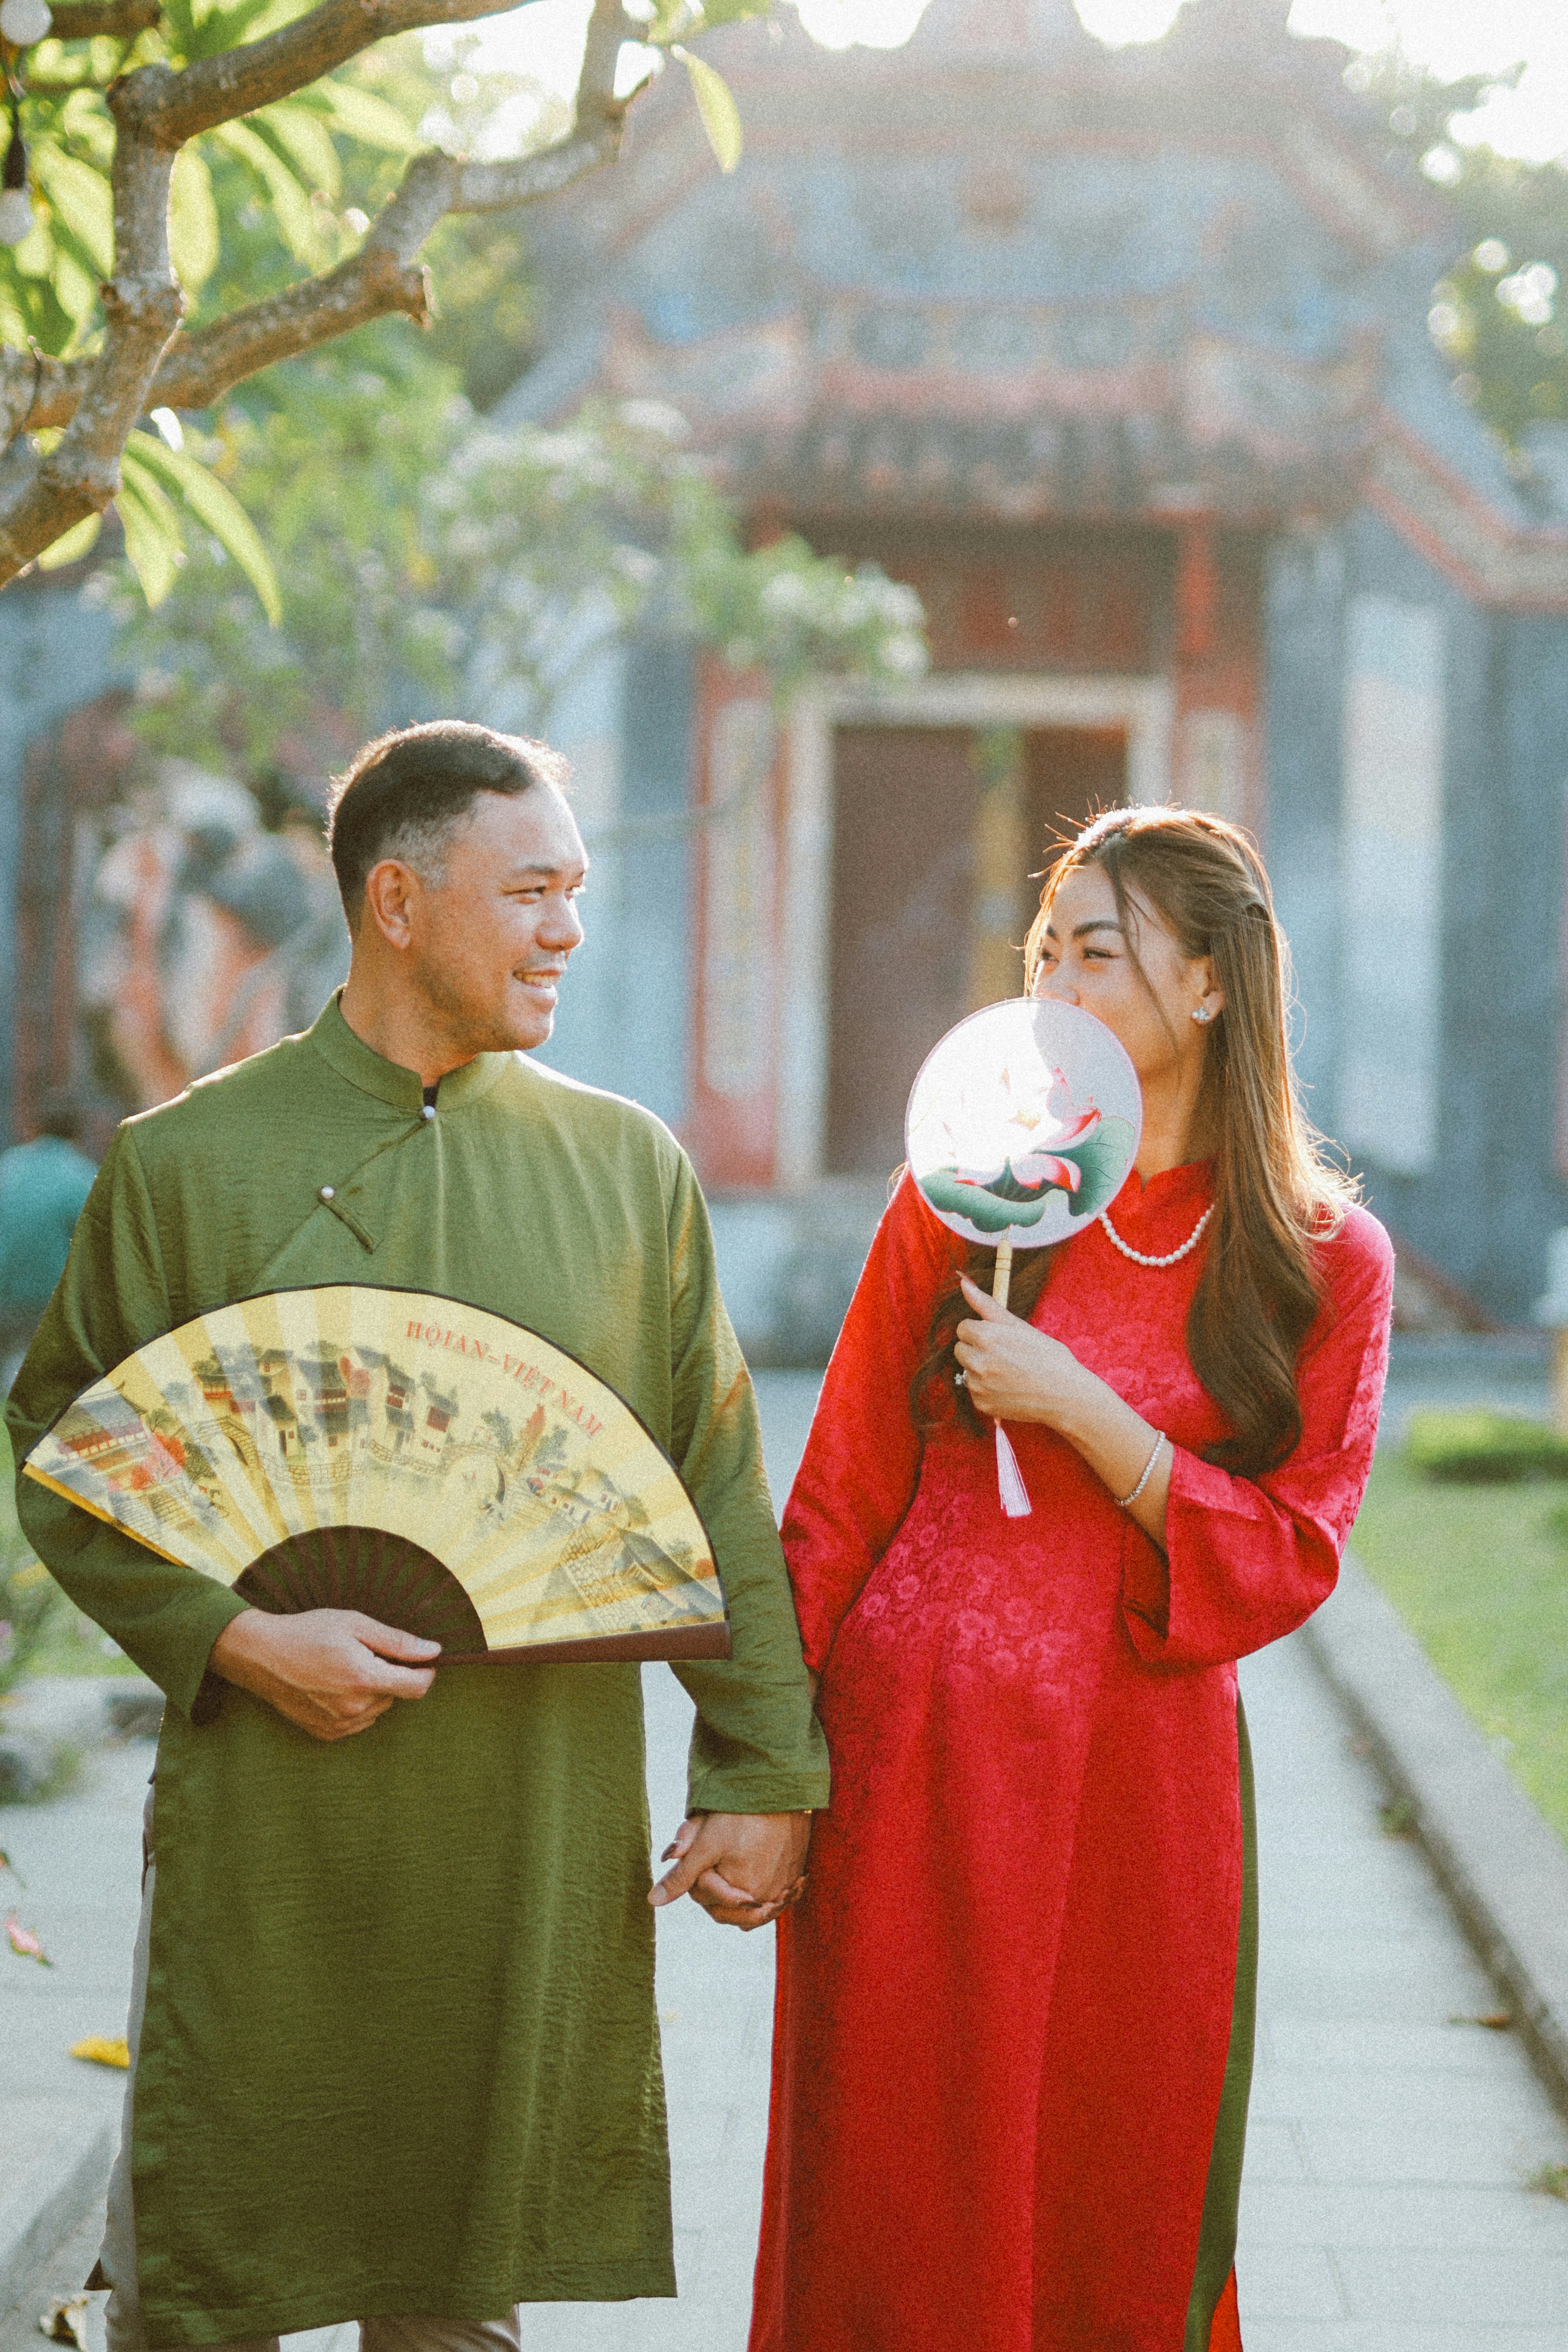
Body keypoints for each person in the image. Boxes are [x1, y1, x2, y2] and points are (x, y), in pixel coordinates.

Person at [7, 722, 827, 2352]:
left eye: (575, 891)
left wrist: (758, 1770)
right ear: (397, 900)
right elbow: (69, 1455)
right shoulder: (188, 1163)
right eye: (530, 889)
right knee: (209, 2261)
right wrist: (233, 1638)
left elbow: (714, 1478)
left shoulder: (624, 1168)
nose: (567, 930)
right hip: (266, 1811)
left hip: (530, 1810)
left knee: (460, 2287)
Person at [749, 807, 1394, 2352]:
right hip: (909, 1759)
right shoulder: (966, 1192)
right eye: (1045, 949)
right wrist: (760, 1760)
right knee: (897, 2169)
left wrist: (1086, 1414)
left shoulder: (1319, 1252)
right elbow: (835, 1491)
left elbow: (1294, 1546)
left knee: (1117, 2160)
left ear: (1214, 982)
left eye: (1095, 950)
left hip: (1132, 1786)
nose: (1056, 980)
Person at [0, 1094, 97, 1387]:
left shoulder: (9, 1165)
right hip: (47, 1297)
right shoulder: (80, 1172)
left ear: (37, 1128)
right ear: (78, 1133)